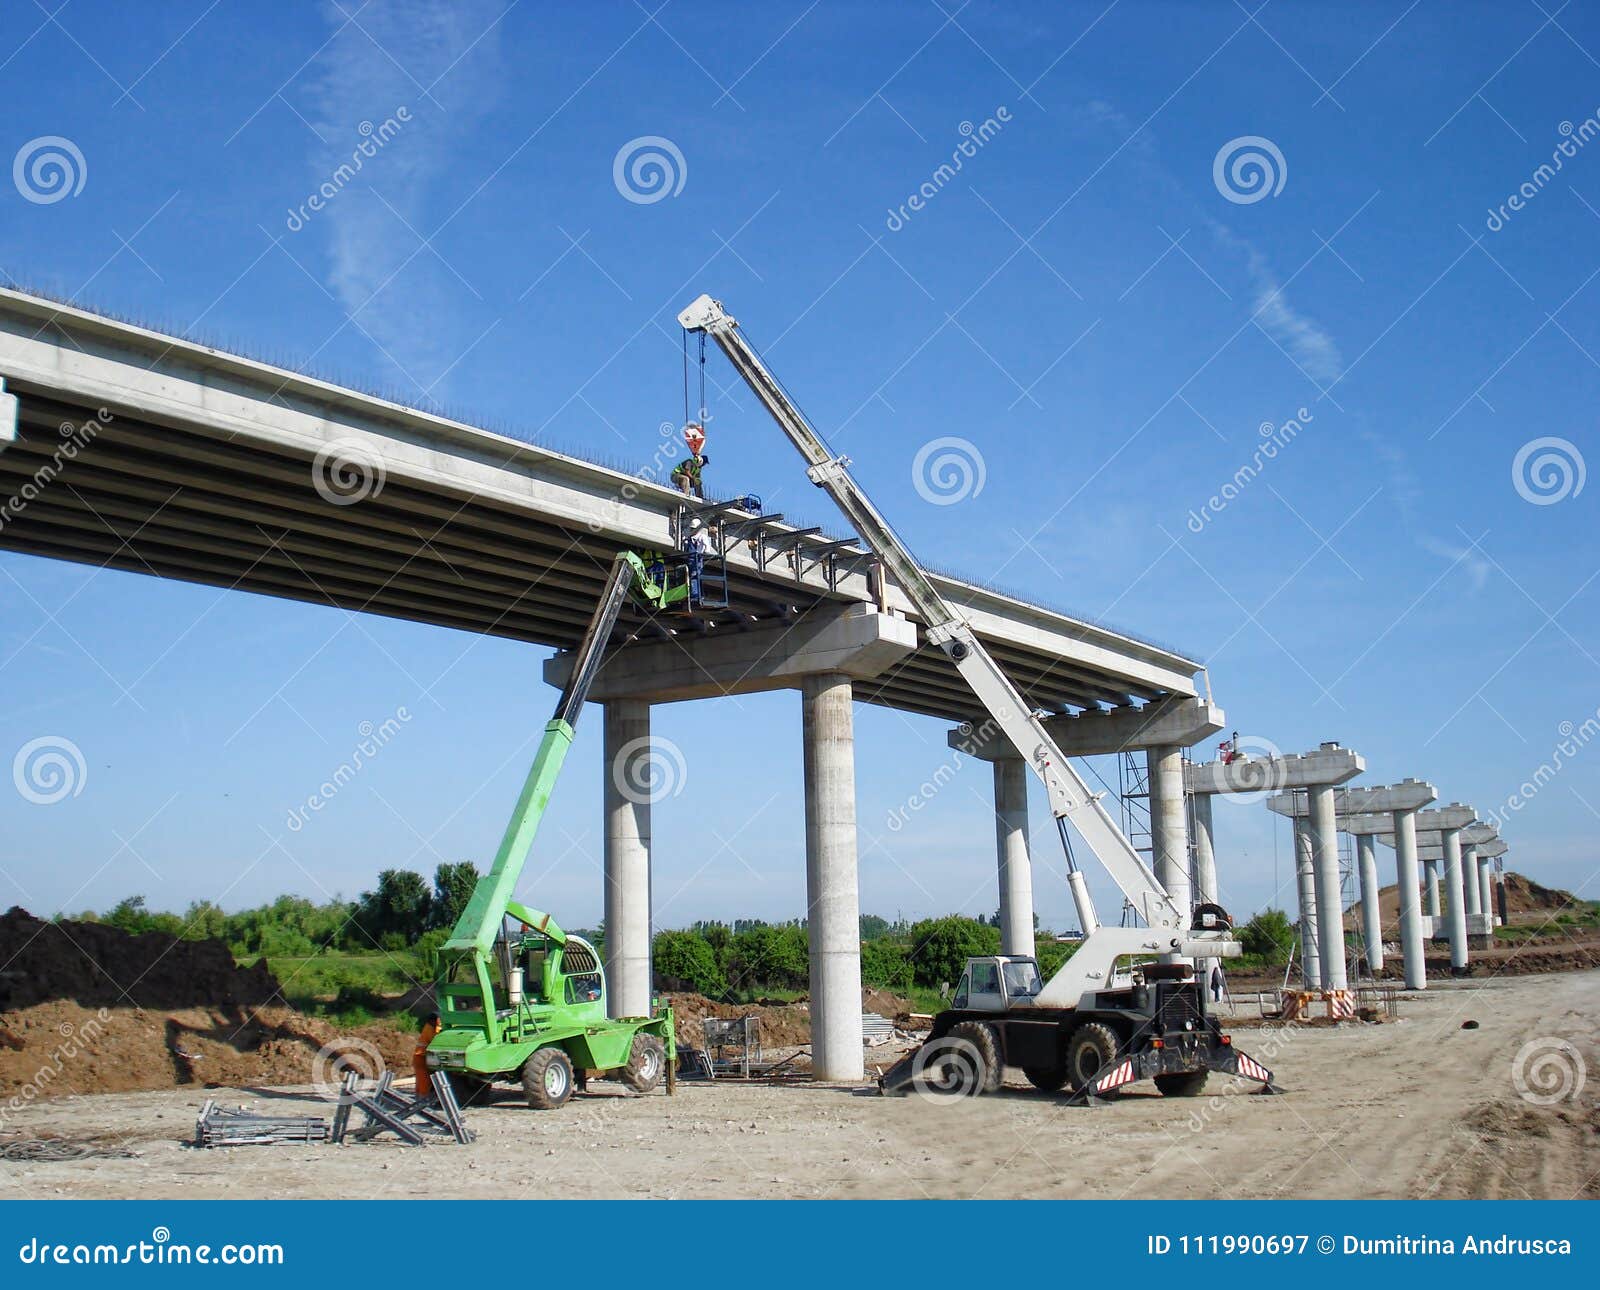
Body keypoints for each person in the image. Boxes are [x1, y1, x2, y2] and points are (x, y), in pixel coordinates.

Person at [413, 1013, 442, 1099]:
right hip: (421, 1056)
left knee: (421, 1080)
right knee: (424, 1081)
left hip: (420, 1055)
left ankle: (419, 1099)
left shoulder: (429, 1027)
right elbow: (435, 1039)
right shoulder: (430, 1028)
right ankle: (423, 1101)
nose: (439, 1023)